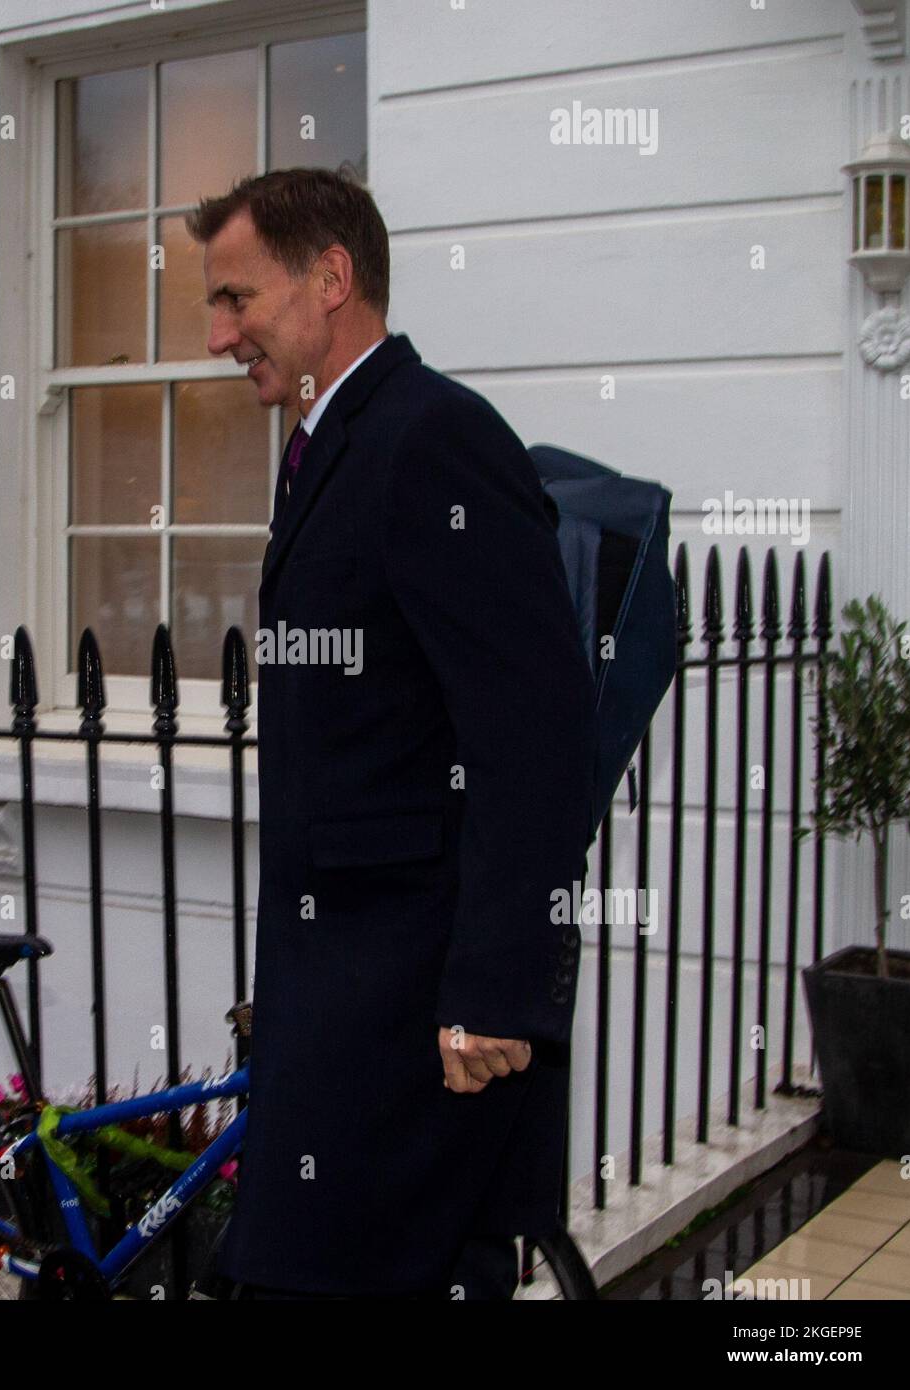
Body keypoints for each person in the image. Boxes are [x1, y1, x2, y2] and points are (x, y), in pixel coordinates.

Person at [185, 167, 596, 1299]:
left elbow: (536, 731)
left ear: (330, 278)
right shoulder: (330, 441)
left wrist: (494, 991)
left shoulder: (433, 439)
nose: (217, 333)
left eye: (235, 298)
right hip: (341, 995)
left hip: (419, 1020)